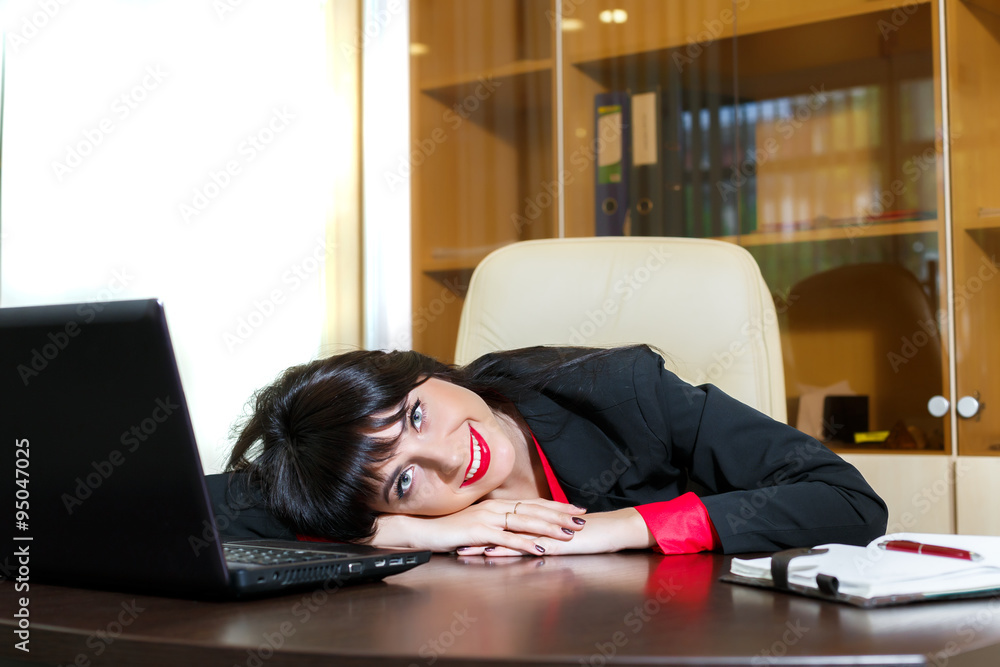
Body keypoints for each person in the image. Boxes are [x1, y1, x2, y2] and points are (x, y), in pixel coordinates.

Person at [225, 344, 888, 556]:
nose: (448, 458)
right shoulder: (408, 519)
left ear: (425, 371)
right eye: (403, 480)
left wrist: (616, 528)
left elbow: (847, 500)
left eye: (417, 415)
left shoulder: (626, 394)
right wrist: (394, 532)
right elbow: (195, 512)